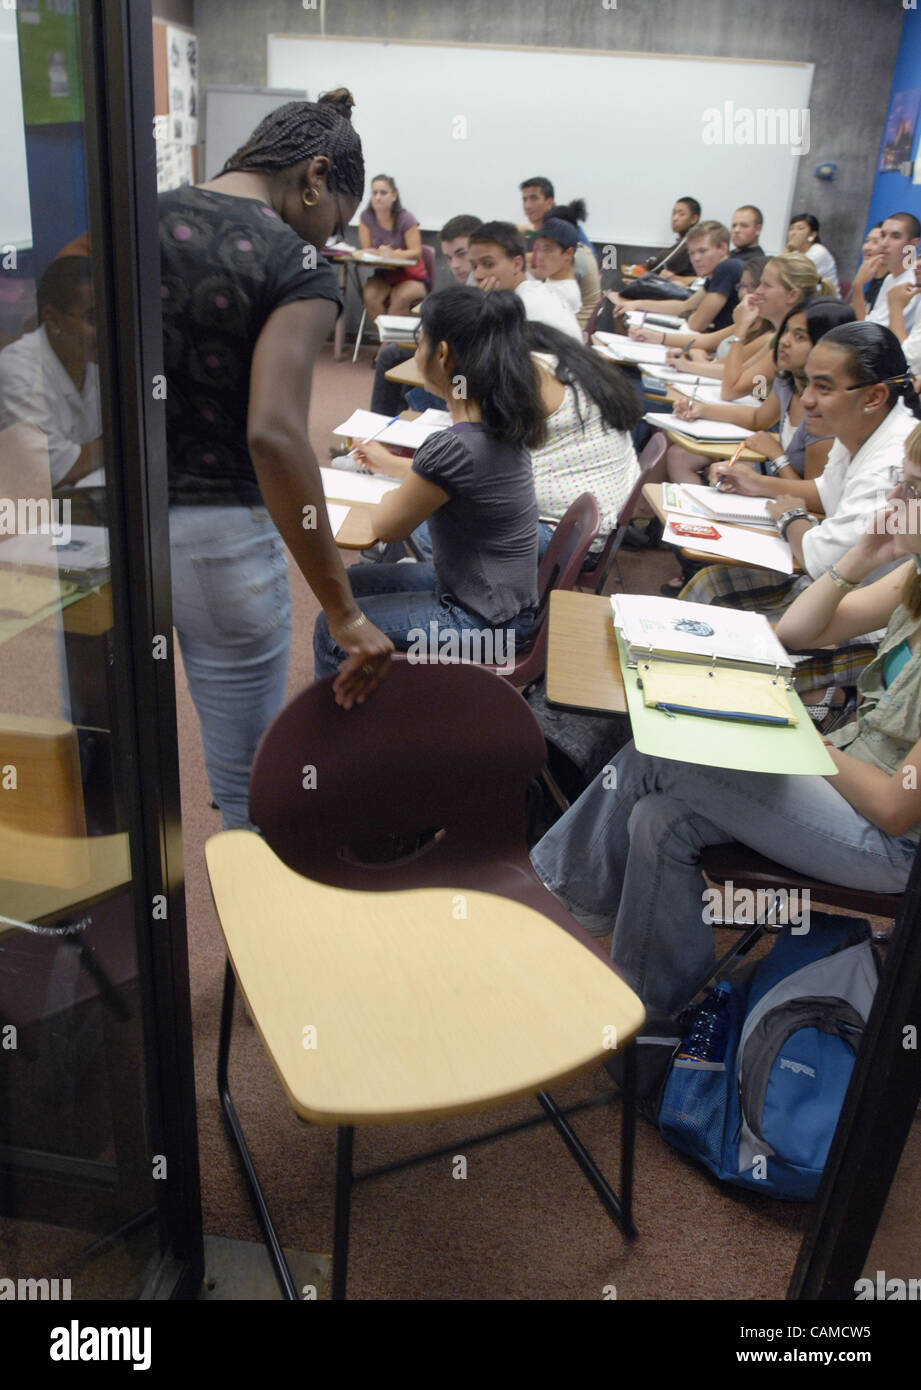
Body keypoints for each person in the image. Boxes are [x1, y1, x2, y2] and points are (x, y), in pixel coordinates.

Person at [530, 443, 921, 1014]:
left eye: (912, 490)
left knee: (662, 753)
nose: (895, 502)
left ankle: (552, 909)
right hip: (842, 782)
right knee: (656, 819)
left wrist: (794, 730)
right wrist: (860, 558)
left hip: (886, 845)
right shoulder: (912, 577)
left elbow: (894, 809)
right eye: (901, 483)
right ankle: (653, 1014)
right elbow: (797, 631)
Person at [159, 92, 392, 829]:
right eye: (338, 216)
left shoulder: (132, 213)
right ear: (315, 175)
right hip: (217, 538)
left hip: (104, 525)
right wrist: (342, 608)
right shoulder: (294, 261)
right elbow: (274, 434)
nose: (334, 235)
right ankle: (245, 946)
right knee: (248, 787)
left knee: (100, 762)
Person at [313, 286, 543, 675]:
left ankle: (340, 731)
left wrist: (394, 492)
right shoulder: (501, 425)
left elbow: (386, 527)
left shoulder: (453, 448)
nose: (415, 353)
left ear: (442, 354)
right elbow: (456, 483)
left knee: (334, 628)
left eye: (419, 343)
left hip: (487, 626)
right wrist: (391, 465)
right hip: (501, 606)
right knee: (351, 585)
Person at [680, 322, 921, 693]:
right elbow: (828, 490)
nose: (806, 398)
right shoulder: (862, 425)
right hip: (841, 589)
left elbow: (822, 559)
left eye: (822, 388)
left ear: (873, 397)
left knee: (731, 653)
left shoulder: (895, 465)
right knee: (710, 584)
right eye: (807, 383)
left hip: (868, 618)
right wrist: (759, 484)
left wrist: (791, 516)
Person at [665, 298, 855, 486]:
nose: (785, 341)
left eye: (799, 337)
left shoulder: (824, 415)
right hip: (774, 462)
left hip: (786, 484)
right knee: (679, 455)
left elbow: (732, 388)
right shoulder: (788, 378)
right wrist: (702, 409)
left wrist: (740, 331)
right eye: (786, 331)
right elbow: (758, 417)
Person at [0, 255, 102, 488]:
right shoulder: (18, 370)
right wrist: (119, 440)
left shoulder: (97, 363)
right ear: (52, 319)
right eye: (94, 317)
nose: (108, 329)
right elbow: (51, 469)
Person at [369, 213, 481, 416]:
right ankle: (380, 429)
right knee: (391, 355)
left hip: (468, 370)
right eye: (449, 258)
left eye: (461, 254)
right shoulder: (472, 282)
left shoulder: (486, 280)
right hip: (453, 356)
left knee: (419, 365)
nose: (455, 264)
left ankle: (388, 431)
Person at [611, 221, 743, 335]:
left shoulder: (727, 267)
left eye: (703, 251)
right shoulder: (715, 275)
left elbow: (696, 324)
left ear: (723, 248)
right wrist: (636, 304)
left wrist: (692, 316)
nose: (696, 259)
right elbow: (684, 306)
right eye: (692, 253)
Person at [468, 221, 582, 340]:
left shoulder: (525, 306)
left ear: (517, 264)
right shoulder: (529, 292)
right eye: (474, 267)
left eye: (488, 264)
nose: (477, 275)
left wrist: (481, 310)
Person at [358, 173, 426, 320]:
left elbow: (417, 252)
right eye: (374, 193)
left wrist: (393, 254)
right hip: (383, 275)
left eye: (383, 193)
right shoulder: (366, 217)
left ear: (394, 196)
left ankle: (388, 343)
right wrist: (379, 253)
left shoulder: (406, 219)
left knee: (400, 297)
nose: (378, 197)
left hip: (410, 277)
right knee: (370, 296)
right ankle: (386, 341)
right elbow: (367, 250)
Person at [857, 213, 921, 332]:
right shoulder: (890, 278)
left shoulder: (913, 282)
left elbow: (870, 332)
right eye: (883, 235)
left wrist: (857, 286)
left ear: (913, 244)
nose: (884, 243)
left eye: (895, 237)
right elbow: (870, 320)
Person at [531, 202, 584, 316]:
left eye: (548, 250)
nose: (539, 257)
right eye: (538, 248)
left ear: (568, 254)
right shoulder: (555, 282)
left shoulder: (562, 294)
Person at [647, 196, 702, 284]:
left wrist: (647, 266)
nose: (675, 218)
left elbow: (658, 265)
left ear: (694, 219)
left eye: (681, 214)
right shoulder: (685, 241)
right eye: (673, 213)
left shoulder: (690, 241)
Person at [786, 212, 840, 294]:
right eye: (791, 229)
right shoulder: (795, 253)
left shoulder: (819, 252)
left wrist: (787, 251)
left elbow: (793, 277)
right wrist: (788, 250)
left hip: (825, 301)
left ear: (812, 234)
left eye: (800, 229)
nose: (793, 233)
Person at [850, 223, 886, 318]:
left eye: (875, 242)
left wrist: (858, 285)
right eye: (867, 241)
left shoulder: (890, 283)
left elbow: (866, 328)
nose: (866, 247)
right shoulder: (874, 280)